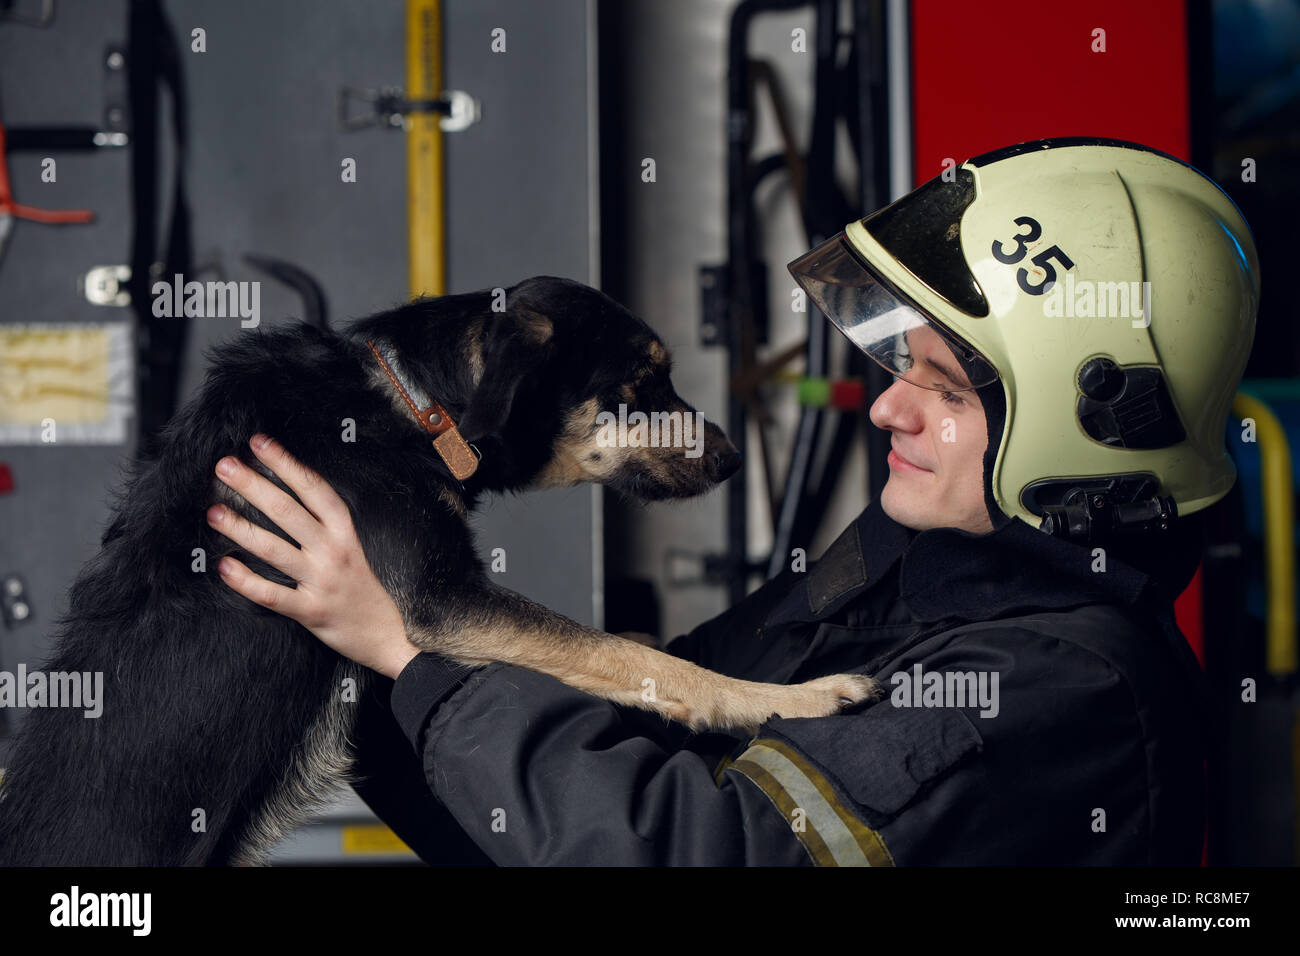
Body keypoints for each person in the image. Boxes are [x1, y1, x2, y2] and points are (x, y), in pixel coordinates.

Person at [207, 137, 1259, 865]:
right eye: (903, 368)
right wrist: (372, 676)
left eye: (941, 387)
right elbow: (582, 794)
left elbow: (698, 850)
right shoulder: (904, 581)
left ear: (1089, 420)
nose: (887, 406)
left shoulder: (1061, 689)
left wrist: (413, 657)